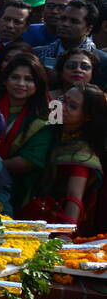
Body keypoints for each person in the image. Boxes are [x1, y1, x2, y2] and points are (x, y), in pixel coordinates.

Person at [0, 51, 53, 210]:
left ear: (38, 84)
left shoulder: (46, 116)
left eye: (29, 79)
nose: (21, 84)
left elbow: (30, 161)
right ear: (5, 80)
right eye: (15, 77)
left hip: (13, 185)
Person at [28, 84, 107, 232]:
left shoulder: (81, 154)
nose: (62, 107)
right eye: (63, 100)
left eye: (72, 106)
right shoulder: (53, 128)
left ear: (88, 116)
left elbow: (74, 196)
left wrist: (65, 234)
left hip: (52, 223)